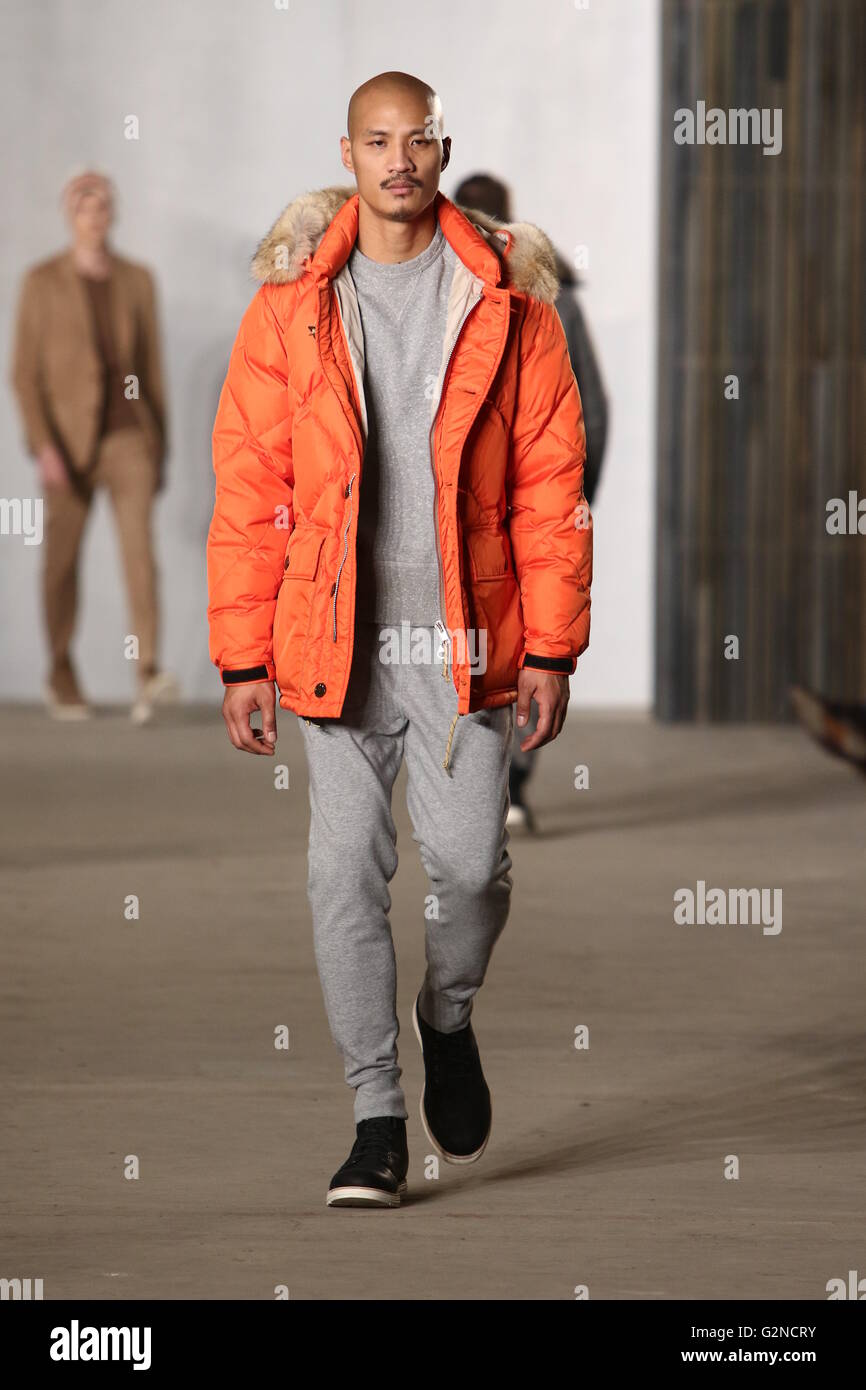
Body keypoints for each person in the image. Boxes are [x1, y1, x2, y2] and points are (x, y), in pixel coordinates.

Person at [207, 72, 592, 1208]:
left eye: (416, 140)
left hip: (469, 639)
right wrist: (240, 657)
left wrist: (554, 646)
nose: (398, 160)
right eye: (376, 141)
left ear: (439, 149)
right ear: (349, 151)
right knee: (340, 872)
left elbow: (547, 482)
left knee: (471, 866)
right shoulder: (290, 305)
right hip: (332, 637)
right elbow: (249, 484)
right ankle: (375, 1117)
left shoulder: (511, 301)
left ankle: (449, 1015)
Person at [454, 173, 608, 831]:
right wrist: (575, 503)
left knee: (488, 640)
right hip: (534, 499)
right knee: (524, 642)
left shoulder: (470, 282)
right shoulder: (553, 291)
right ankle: (504, 786)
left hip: (489, 501)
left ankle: (488, 785)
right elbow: (592, 410)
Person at [11, 168, 176, 723]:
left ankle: (147, 672)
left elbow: (152, 370)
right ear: (69, 214)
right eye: (84, 204)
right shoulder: (41, 281)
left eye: (103, 203)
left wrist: (161, 450)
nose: (94, 214)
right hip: (67, 444)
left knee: (139, 557)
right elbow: (24, 375)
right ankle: (61, 670)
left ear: (113, 213)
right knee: (61, 564)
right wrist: (44, 446)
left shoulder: (137, 280)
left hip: (128, 436)